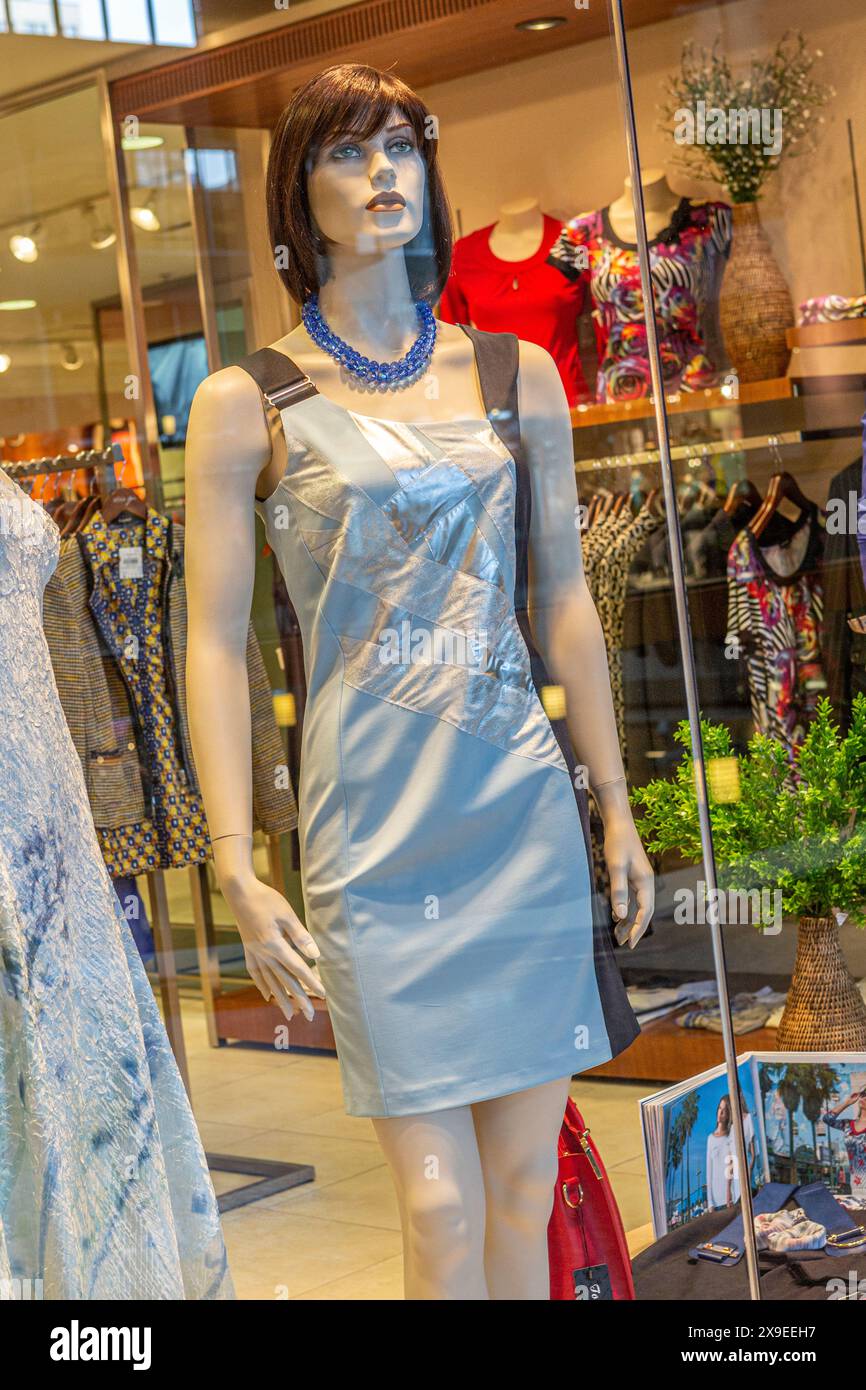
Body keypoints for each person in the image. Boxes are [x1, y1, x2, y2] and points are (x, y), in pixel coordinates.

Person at [184, 63, 654, 1300]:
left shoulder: (513, 378)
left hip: (518, 823)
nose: (383, 172)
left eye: (400, 144)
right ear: (298, 193)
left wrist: (611, 798)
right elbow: (215, 642)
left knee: (513, 1193)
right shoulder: (248, 404)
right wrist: (234, 859)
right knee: (438, 1208)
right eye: (348, 152)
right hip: (372, 841)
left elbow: (562, 600)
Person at [823, 1084, 866, 1194]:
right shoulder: (848, 1125)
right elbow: (827, 1119)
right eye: (863, 1094)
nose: (864, 1098)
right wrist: (847, 1103)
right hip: (856, 1184)